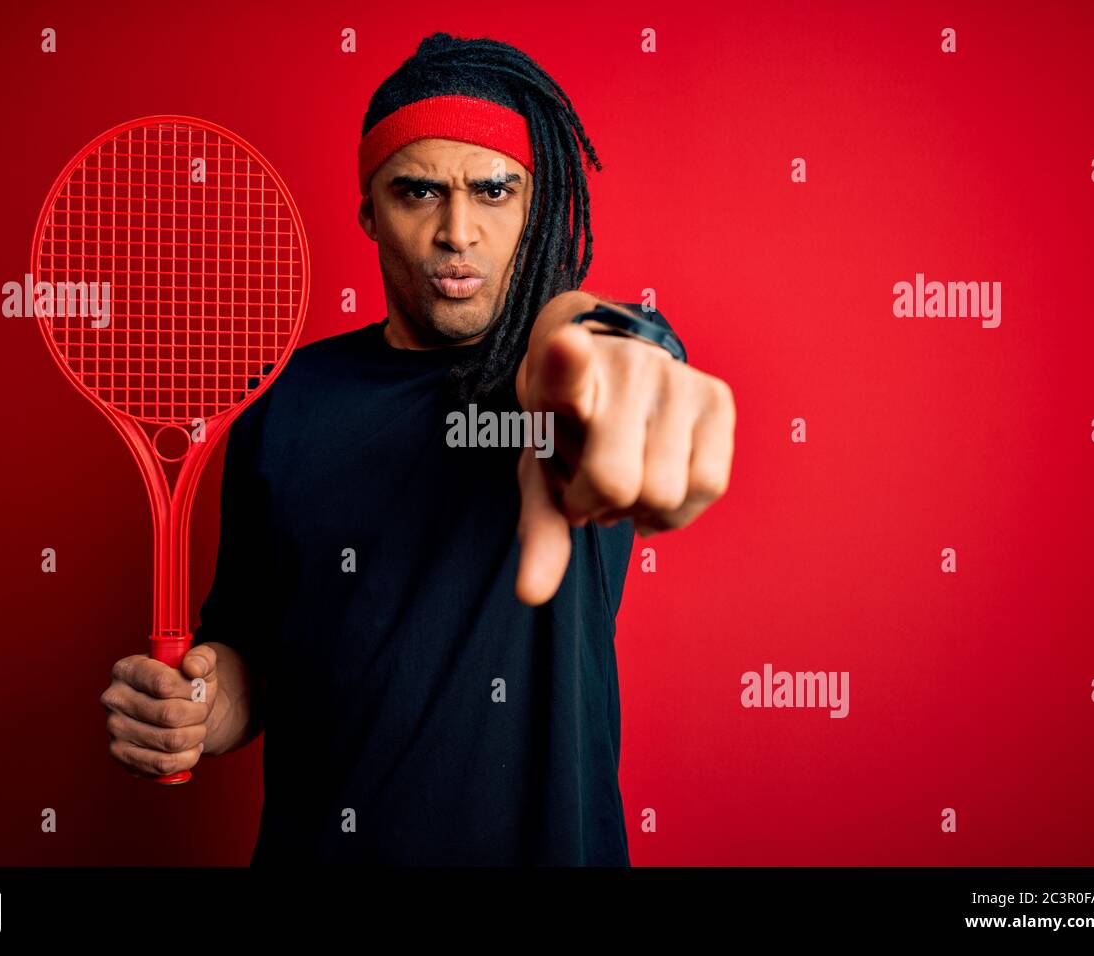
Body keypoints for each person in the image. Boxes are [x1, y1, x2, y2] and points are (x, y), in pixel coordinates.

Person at [99, 32, 735, 865]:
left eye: (495, 190)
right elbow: (253, 661)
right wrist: (198, 706)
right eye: (419, 191)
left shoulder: (563, 381)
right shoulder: (280, 402)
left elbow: (589, 337)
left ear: (533, 209)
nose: (457, 230)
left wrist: (610, 349)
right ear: (370, 209)